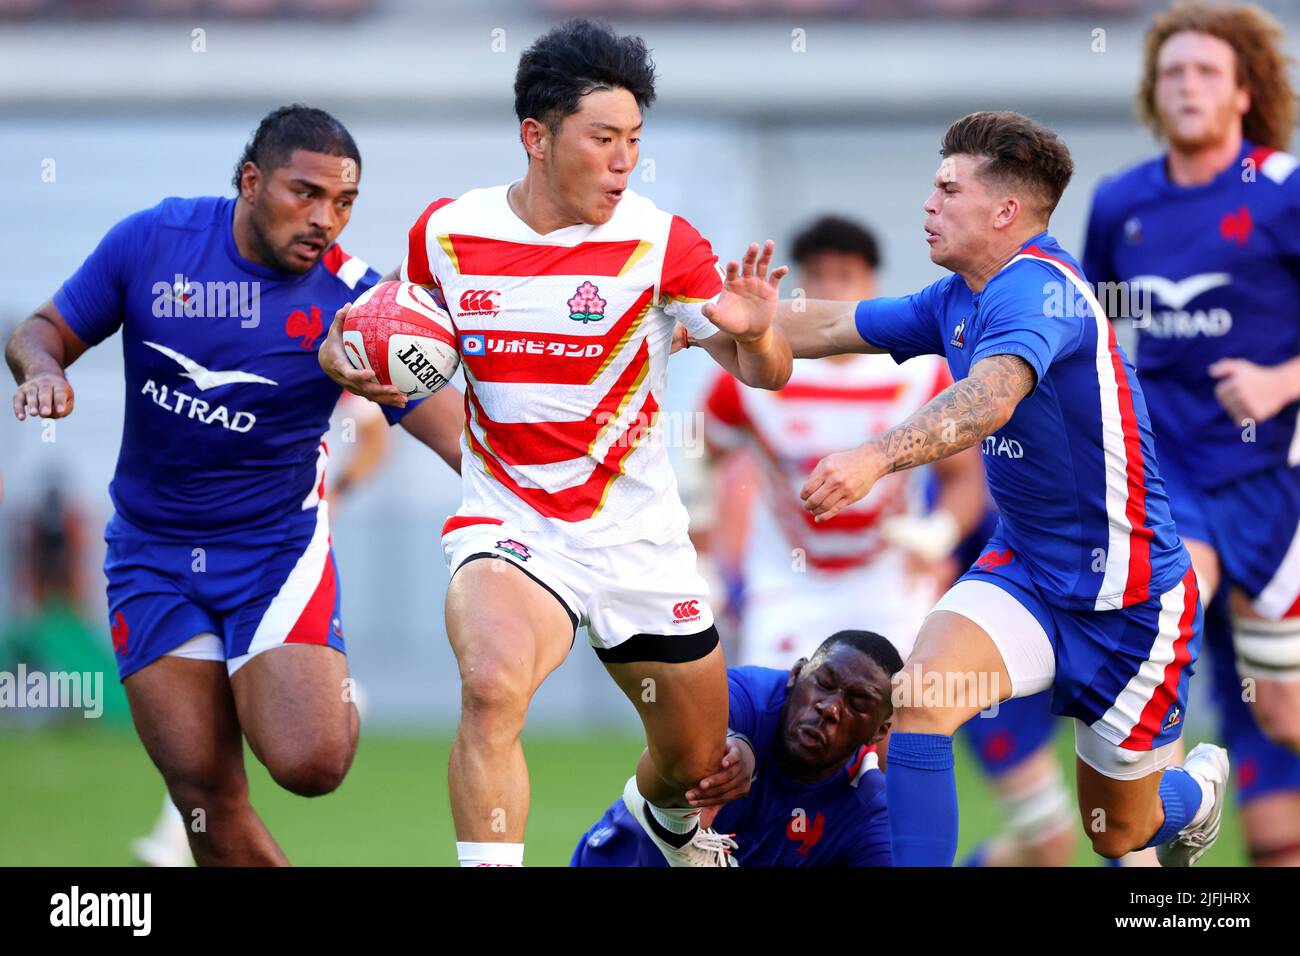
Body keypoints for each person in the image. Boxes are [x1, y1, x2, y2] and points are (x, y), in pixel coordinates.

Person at [318, 19, 794, 867]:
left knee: (695, 758)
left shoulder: (660, 242)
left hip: (638, 538)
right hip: (513, 527)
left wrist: (757, 335)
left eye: (635, 141)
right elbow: (385, 330)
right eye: (603, 138)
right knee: (493, 684)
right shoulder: (446, 234)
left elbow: (766, 372)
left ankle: (669, 827)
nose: (624, 161)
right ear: (536, 138)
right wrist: (347, 356)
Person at [6, 105, 464, 866]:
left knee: (312, 762)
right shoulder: (153, 242)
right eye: (306, 193)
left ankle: (310, 677)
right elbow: (40, 329)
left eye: (344, 203)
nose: (325, 219)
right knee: (203, 802)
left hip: (274, 549)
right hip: (152, 553)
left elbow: (455, 438)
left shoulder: (357, 307)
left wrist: (538, 515)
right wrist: (46, 369)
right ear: (251, 181)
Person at [773, 110, 1227, 866]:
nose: (928, 204)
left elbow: (988, 400)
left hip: (1134, 604)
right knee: (917, 699)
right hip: (1025, 576)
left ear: (1005, 211)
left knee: (1117, 832)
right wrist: (712, 316)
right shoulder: (956, 298)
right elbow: (830, 326)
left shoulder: (1041, 292)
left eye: (948, 189)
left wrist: (874, 458)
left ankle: (1196, 796)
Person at [1082, 2, 1300, 866]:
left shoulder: (1282, 190)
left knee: (1280, 710)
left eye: (1207, 71)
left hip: (1274, 486)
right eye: (1172, 72)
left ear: (1244, 90)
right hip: (1170, 477)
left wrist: (1280, 380)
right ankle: (1150, 862)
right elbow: (1087, 332)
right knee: (1158, 639)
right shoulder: (1121, 200)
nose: (1187, 86)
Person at [572, 630, 898, 867]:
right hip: (628, 859)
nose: (830, 708)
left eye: (857, 704)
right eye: (823, 685)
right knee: (700, 752)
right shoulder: (751, 694)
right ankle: (673, 831)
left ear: (879, 731)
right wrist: (734, 742)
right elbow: (682, 722)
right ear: (796, 674)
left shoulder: (868, 807)